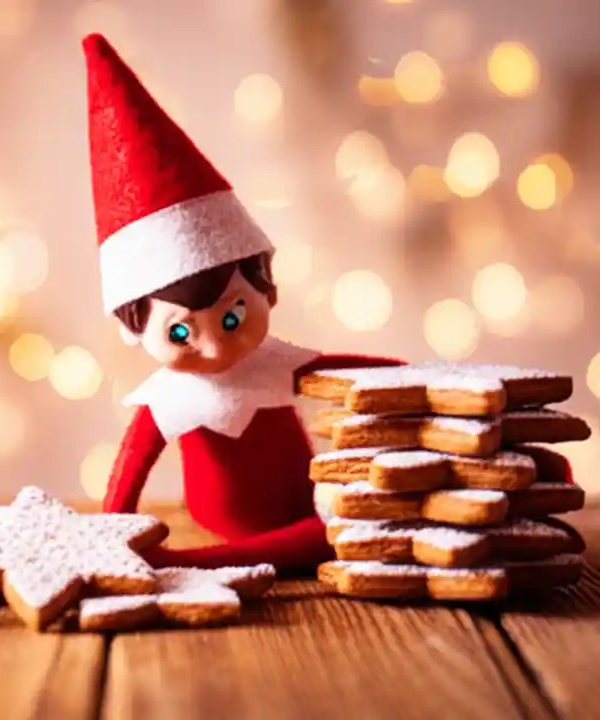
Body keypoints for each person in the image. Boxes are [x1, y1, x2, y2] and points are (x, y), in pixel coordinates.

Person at [83, 34, 402, 570]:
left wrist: (432, 382)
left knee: (337, 530)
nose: (214, 347)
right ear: (134, 326)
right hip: (218, 520)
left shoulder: (278, 364)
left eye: (232, 316)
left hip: (303, 504)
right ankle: (232, 558)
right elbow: (125, 483)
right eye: (181, 333)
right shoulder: (169, 399)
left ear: (265, 286)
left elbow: (361, 373)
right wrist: (109, 539)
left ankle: (235, 557)